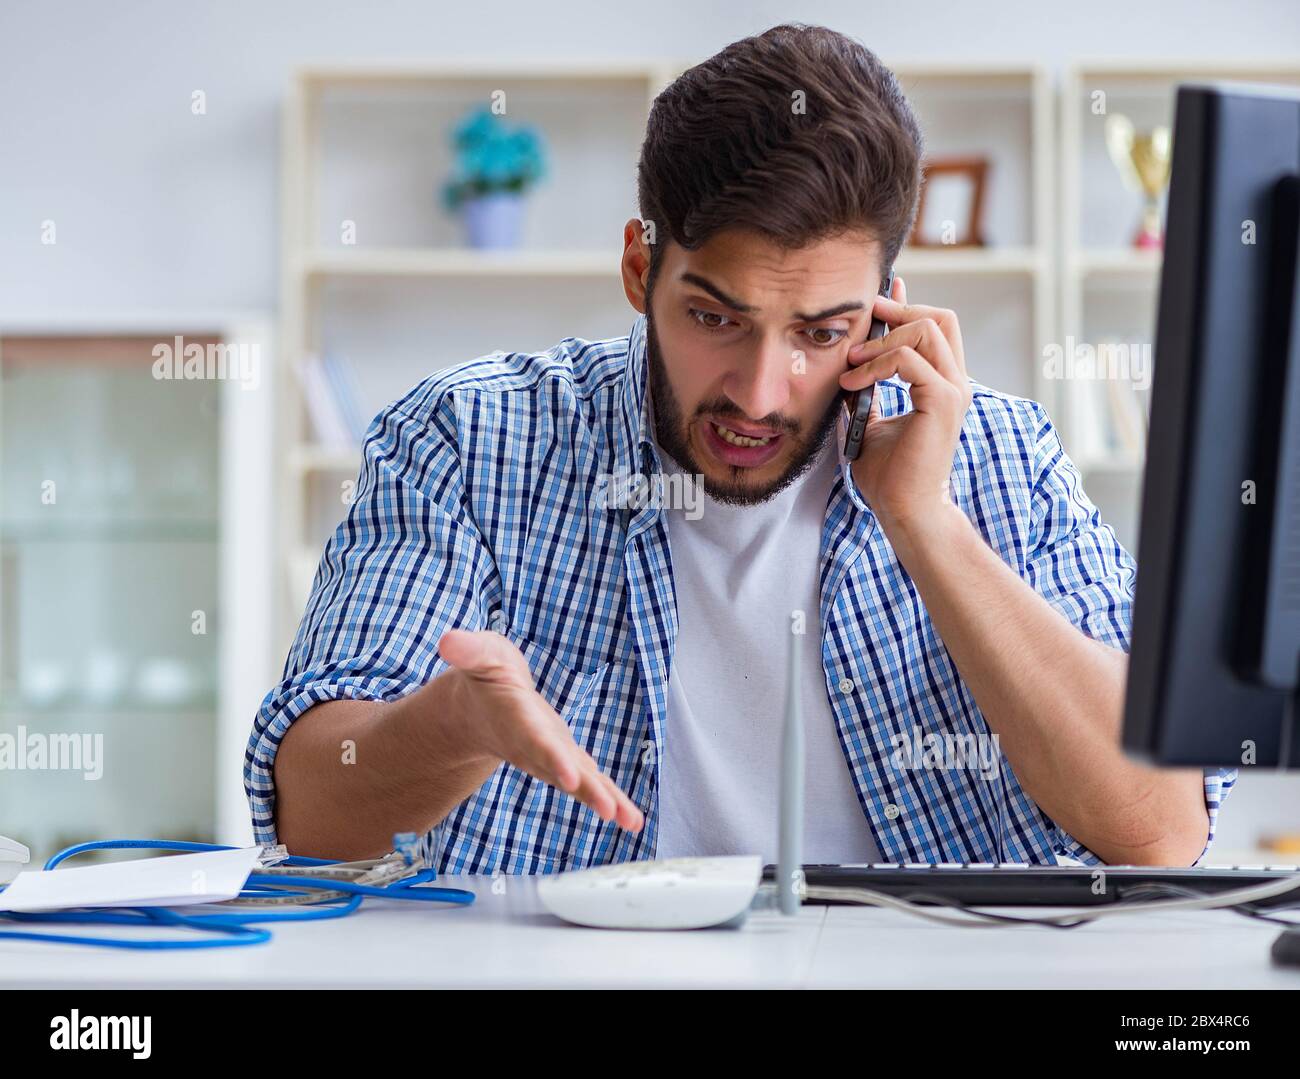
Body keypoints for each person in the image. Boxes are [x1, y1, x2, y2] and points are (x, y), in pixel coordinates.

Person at [246, 23, 1233, 872]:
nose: (762, 393)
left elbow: (1159, 830)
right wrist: (455, 725)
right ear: (640, 266)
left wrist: (926, 524)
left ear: (887, 306)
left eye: (819, 331)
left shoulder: (999, 456)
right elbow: (309, 820)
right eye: (715, 317)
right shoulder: (467, 441)